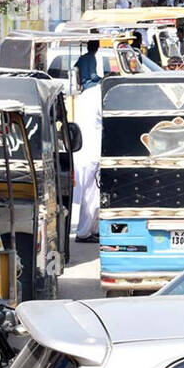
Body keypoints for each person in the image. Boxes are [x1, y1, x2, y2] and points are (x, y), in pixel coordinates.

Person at [72, 55, 103, 243]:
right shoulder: (97, 94)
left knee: (90, 195)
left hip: (82, 150)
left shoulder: (82, 95)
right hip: (92, 151)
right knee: (91, 194)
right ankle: (85, 231)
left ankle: (90, 229)